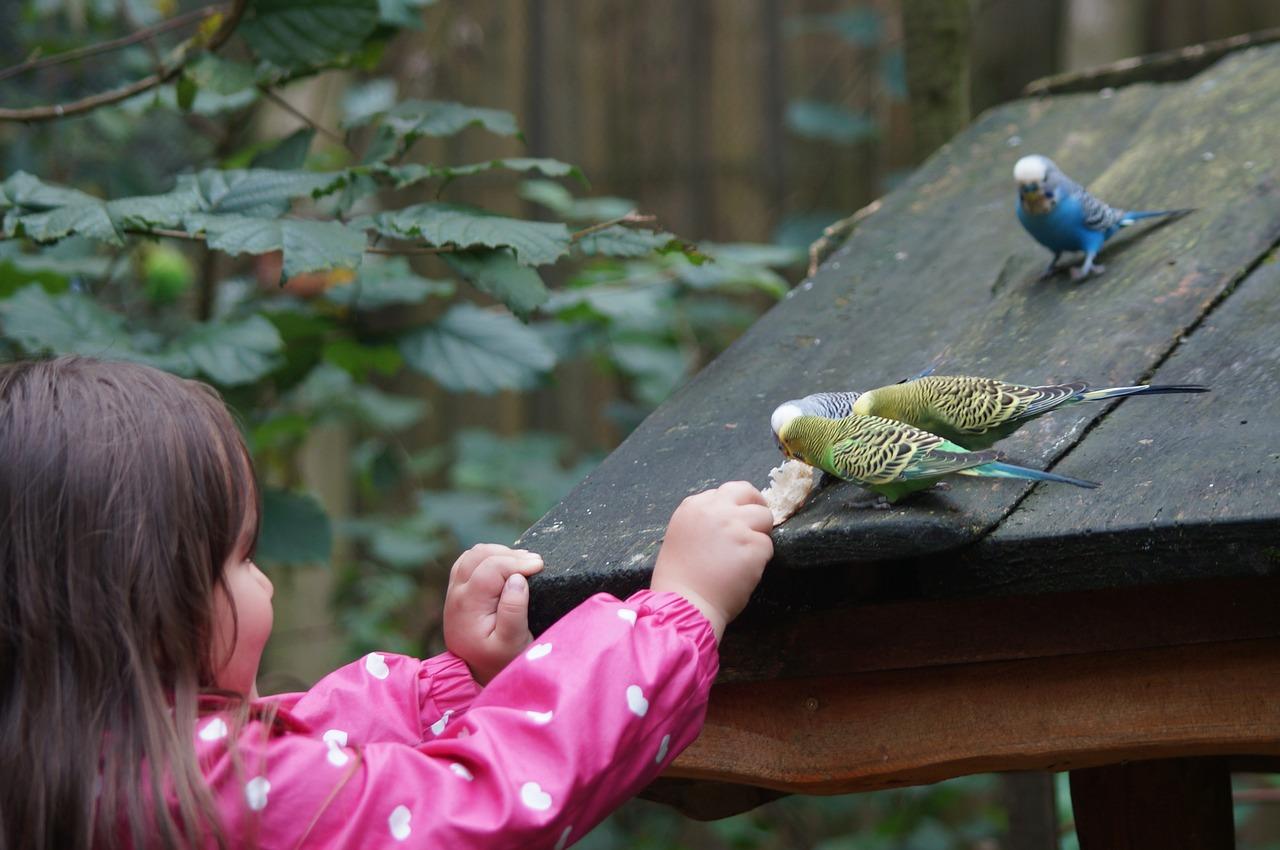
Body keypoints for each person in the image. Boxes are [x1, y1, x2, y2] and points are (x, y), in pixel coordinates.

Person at [0, 356, 774, 850]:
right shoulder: (193, 794)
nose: (265, 583)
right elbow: (484, 804)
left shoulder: (78, 763)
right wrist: (680, 610)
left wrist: (458, 686)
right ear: (139, 603)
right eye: (240, 559)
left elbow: (318, 750)